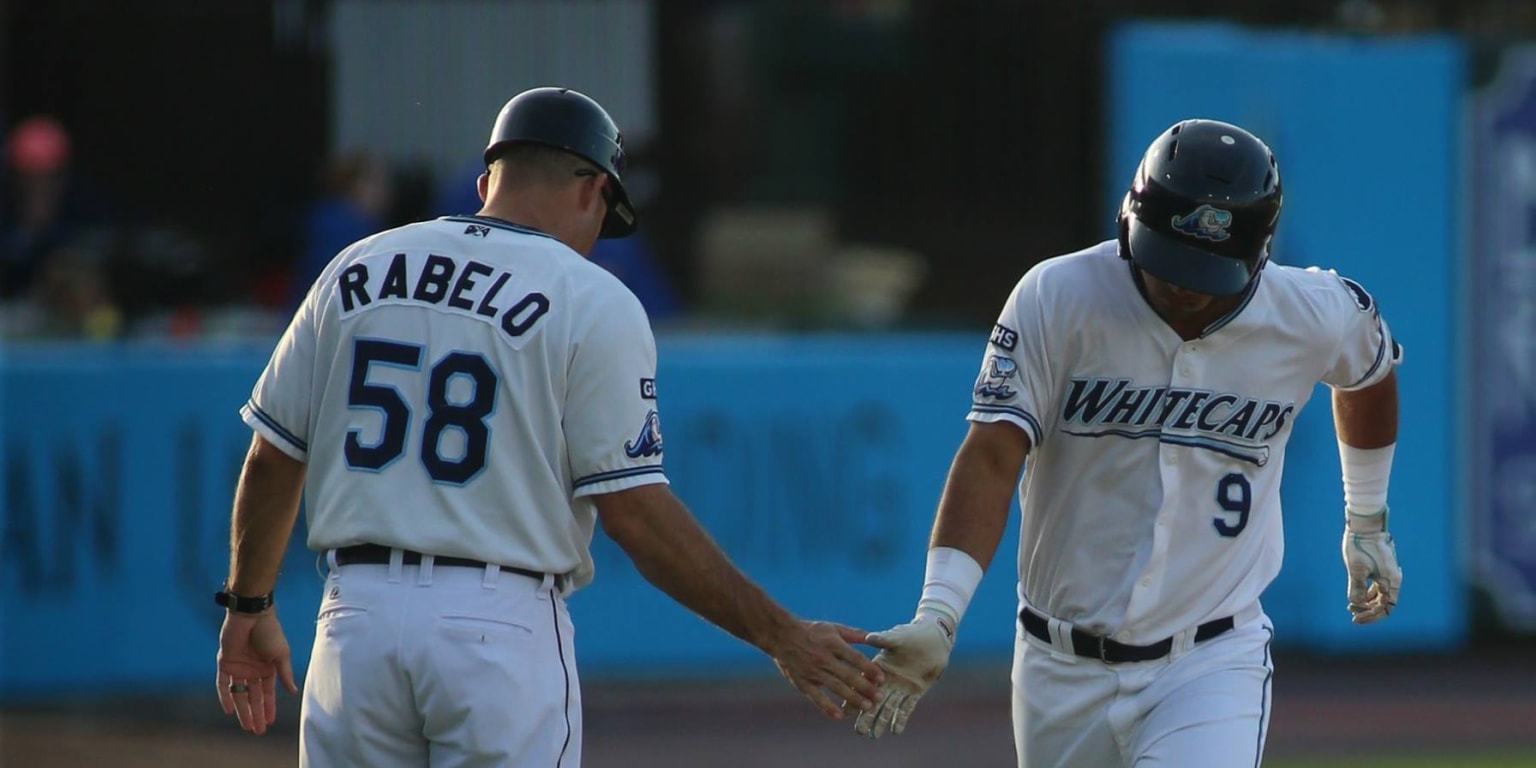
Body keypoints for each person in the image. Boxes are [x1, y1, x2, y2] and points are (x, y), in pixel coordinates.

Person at [212, 86, 883, 766]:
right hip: (496, 626)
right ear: (593, 188)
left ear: (486, 181)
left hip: (353, 625)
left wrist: (246, 605)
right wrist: (782, 635)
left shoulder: (359, 266)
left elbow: (271, 459)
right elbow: (637, 518)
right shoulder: (590, 296)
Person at [852, 119, 1403, 767]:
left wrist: (1366, 517)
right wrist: (940, 611)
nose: (1184, 286)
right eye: (1170, 260)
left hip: (1211, 660)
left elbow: (1370, 372)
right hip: (1057, 668)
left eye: (1209, 271)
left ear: (1258, 255)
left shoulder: (1310, 310)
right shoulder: (1058, 296)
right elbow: (993, 453)